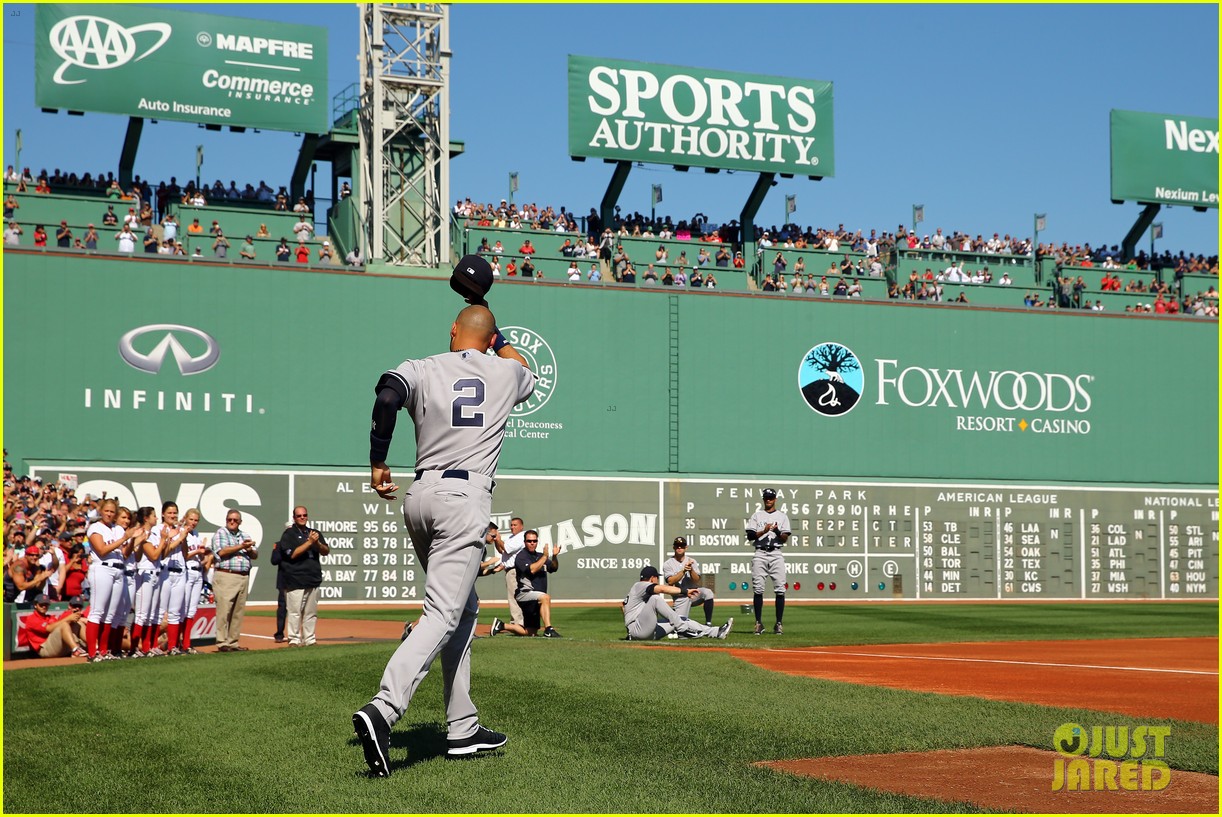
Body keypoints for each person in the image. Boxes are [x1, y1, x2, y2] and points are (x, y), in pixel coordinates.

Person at [353, 280, 535, 777]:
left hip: (420, 496)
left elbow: (386, 398)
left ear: (454, 331)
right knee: (442, 613)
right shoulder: (504, 371)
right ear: (490, 338)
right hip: (464, 498)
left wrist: (377, 461)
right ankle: (384, 709)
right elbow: (525, 368)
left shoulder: (422, 366)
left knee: (463, 608)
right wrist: (496, 337)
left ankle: (462, 727)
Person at [623, 566, 731, 641]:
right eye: (657, 577)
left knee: (680, 619)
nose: (657, 580)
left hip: (645, 630)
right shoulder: (640, 585)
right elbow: (662, 589)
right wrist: (685, 591)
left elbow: (623, 606)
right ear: (652, 578)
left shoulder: (636, 591)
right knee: (655, 599)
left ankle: (716, 632)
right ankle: (682, 629)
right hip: (639, 630)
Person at [275, 506, 330, 647]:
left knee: (311, 613)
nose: (302, 518)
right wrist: (309, 543)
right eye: (299, 516)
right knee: (295, 612)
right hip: (295, 579)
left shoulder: (314, 533)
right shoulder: (289, 534)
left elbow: (325, 551)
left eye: (304, 515)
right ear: (294, 518)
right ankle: (294, 639)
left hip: (312, 578)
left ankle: (310, 639)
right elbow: (292, 554)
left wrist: (317, 543)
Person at [211, 508, 258, 652]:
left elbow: (255, 555)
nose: (232, 522)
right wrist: (242, 546)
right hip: (226, 575)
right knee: (224, 610)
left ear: (240, 522)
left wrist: (249, 549)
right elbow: (222, 551)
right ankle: (222, 642)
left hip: (243, 576)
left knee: (238, 612)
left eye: (235, 520)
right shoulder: (221, 533)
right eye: (229, 519)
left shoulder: (245, 535)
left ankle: (233, 642)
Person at [747, 488, 791, 635]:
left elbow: (785, 538)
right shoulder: (757, 515)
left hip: (776, 553)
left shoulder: (782, 516)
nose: (768, 500)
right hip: (760, 553)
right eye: (766, 497)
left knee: (780, 589)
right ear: (763, 499)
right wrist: (764, 531)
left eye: (771, 498)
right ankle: (758, 623)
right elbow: (750, 536)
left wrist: (776, 531)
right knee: (758, 589)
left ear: (775, 499)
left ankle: (779, 623)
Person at [504, 530, 561, 638]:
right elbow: (532, 570)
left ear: (537, 542)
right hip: (525, 594)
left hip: (536, 596)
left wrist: (554, 556)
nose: (532, 543)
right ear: (524, 542)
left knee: (531, 632)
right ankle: (548, 629)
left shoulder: (540, 556)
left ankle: (502, 625)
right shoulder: (521, 556)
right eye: (529, 541)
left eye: (534, 541)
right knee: (545, 598)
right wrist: (545, 557)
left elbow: (553, 568)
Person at [488, 517, 530, 637]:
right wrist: (497, 540)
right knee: (515, 597)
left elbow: (506, 548)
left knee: (515, 597)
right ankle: (518, 623)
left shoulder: (521, 536)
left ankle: (517, 624)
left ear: (521, 526)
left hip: (515, 570)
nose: (512, 527)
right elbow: (501, 550)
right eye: (511, 525)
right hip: (511, 570)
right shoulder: (512, 537)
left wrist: (498, 539)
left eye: (515, 525)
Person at [662, 536, 715, 625]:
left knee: (708, 592)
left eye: (682, 545)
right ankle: (673, 614)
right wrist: (683, 571)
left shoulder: (691, 561)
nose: (679, 547)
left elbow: (696, 580)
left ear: (686, 547)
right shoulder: (668, 564)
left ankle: (708, 623)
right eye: (677, 545)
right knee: (679, 625)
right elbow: (670, 581)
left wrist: (691, 570)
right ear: (674, 547)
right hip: (680, 597)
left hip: (694, 594)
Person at [18, 594, 88, 658]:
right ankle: (76, 650)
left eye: (46, 604)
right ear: (35, 605)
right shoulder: (32, 618)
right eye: (41, 604)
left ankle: (92, 646)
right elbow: (49, 629)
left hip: (56, 646)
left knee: (78, 624)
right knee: (64, 624)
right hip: (44, 649)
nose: (44, 606)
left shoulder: (50, 617)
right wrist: (68, 618)